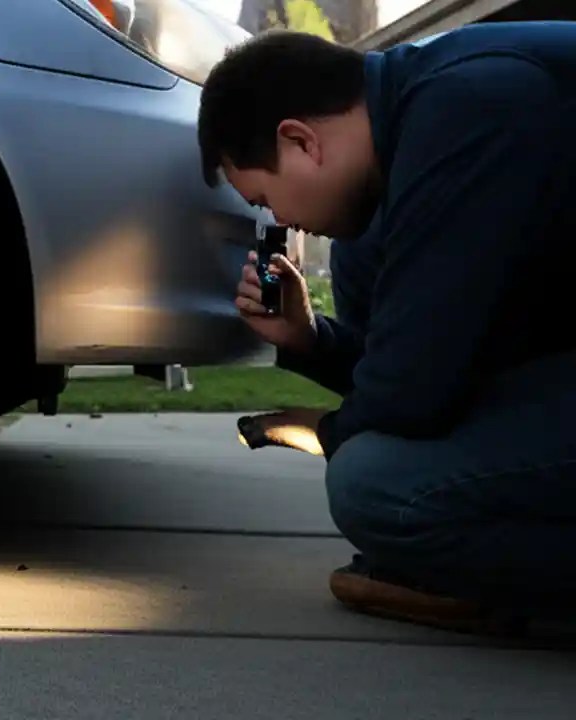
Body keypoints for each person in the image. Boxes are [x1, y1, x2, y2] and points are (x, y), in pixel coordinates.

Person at [196, 22, 576, 634]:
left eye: (266, 199)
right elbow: (435, 367)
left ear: (300, 141)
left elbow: (413, 395)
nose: (283, 218)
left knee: (374, 486)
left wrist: (331, 432)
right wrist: (310, 339)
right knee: (362, 251)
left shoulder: (467, 107)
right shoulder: (421, 113)